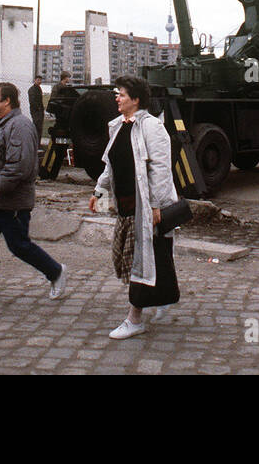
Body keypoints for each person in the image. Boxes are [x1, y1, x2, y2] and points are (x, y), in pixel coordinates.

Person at [90, 75, 181, 340]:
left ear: (136, 99)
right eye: (117, 93)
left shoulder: (152, 127)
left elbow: (161, 169)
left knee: (141, 260)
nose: (117, 98)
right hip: (126, 206)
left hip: (146, 207)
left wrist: (156, 206)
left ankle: (135, 319)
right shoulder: (118, 126)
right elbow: (111, 164)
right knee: (143, 258)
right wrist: (99, 190)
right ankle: (163, 298)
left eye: (121, 94)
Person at [0, 82, 66, 308]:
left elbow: (20, 165)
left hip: (12, 201)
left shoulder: (20, 126)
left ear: (7, 101)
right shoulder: (1, 124)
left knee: (18, 245)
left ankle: (56, 271)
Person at [28, 74, 45, 144]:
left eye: (40, 80)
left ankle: (38, 143)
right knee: (36, 127)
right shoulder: (32, 89)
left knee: (40, 128)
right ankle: (34, 143)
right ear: (35, 80)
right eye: (38, 80)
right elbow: (32, 101)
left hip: (40, 111)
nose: (39, 81)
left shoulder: (39, 88)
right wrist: (38, 108)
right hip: (36, 111)